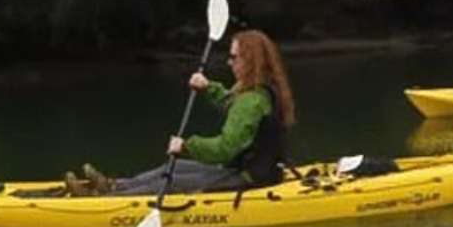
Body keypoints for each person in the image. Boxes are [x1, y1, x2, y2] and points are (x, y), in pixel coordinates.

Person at [66, 29, 296, 196]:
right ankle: (115, 186)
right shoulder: (259, 90)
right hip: (247, 170)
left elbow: (225, 148)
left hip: (248, 178)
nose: (229, 62)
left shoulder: (252, 101)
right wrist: (208, 87)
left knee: (171, 180)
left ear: (250, 60)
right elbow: (232, 105)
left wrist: (187, 146)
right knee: (173, 167)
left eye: (234, 57)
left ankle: (105, 199)